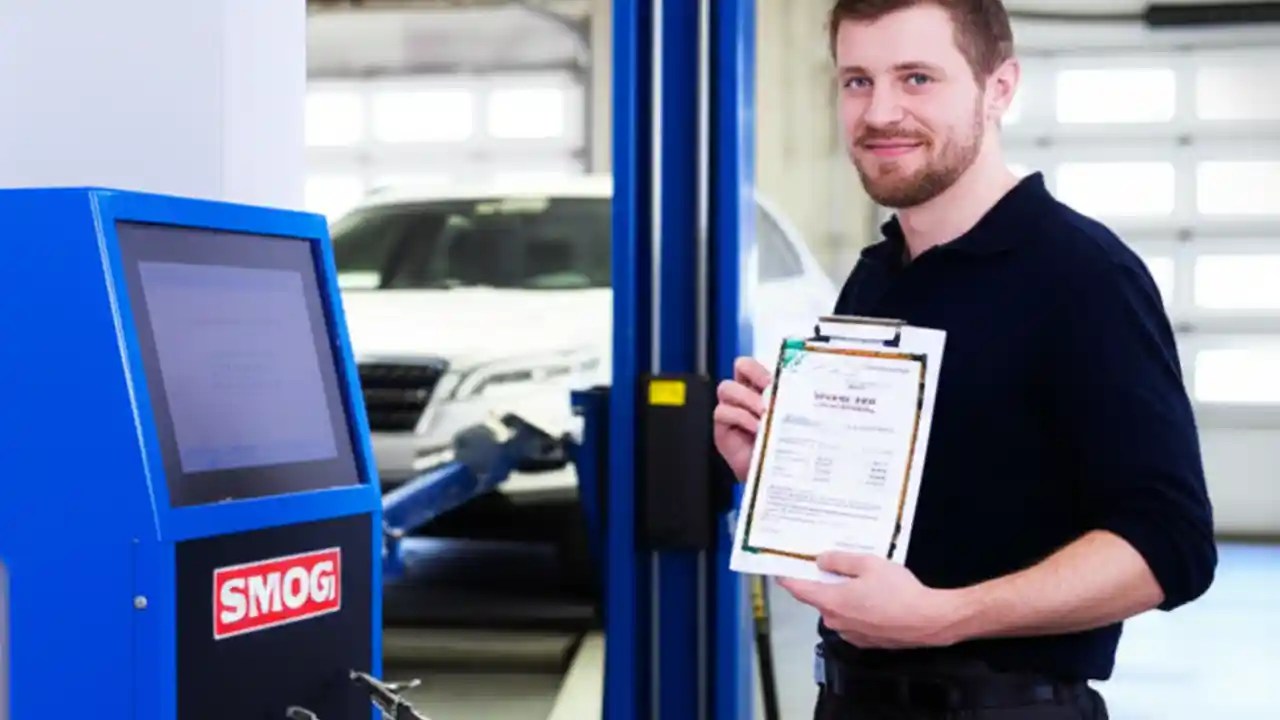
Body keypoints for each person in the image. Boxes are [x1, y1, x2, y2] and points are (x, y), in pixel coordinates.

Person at [712, 1, 1217, 718]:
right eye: (857, 81)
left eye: (916, 78)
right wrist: (781, 471)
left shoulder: (1083, 277)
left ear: (999, 87)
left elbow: (1171, 546)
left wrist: (944, 616)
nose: (880, 112)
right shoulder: (876, 278)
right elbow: (923, 510)